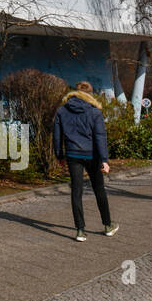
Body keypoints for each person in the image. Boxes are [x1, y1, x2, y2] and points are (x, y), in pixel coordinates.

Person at [53, 81, 118, 241]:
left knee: (76, 192)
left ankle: (80, 230)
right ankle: (108, 225)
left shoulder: (62, 111)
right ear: (90, 94)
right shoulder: (94, 112)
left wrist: (59, 155)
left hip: (73, 156)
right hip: (92, 155)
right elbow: (100, 136)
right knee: (99, 189)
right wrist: (104, 160)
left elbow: (57, 136)